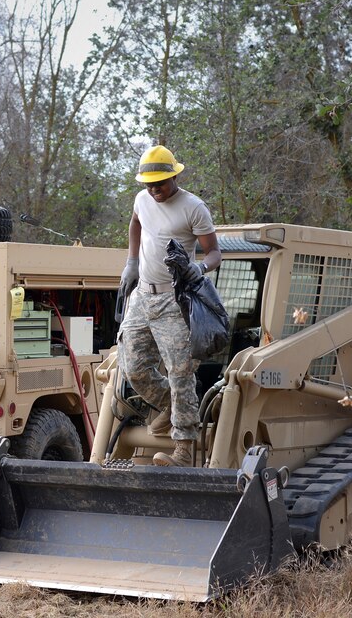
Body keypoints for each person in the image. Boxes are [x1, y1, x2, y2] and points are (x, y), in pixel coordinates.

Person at [118, 144, 220, 467]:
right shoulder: (141, 200)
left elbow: (214, 253)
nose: (153, 190)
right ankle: (168, 407)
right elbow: (135, 223)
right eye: (148, 185)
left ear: (174, 176)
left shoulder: (193, 208)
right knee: (133, 366)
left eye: (159, 184)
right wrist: (132, 261)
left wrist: (199, 268)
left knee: (180, 371)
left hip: (174, 299)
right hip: (142, 297)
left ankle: (183, 449)